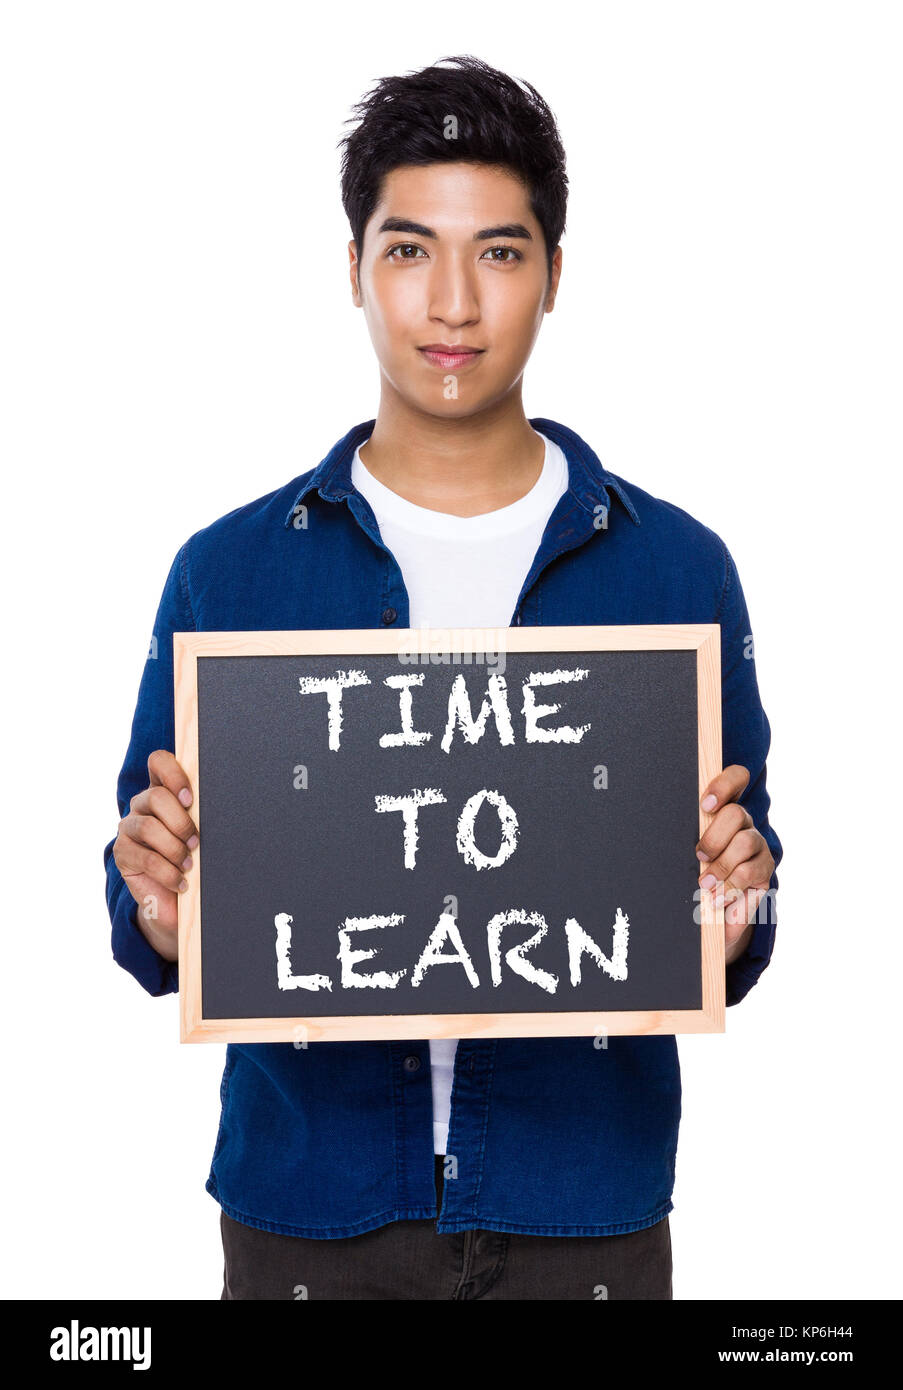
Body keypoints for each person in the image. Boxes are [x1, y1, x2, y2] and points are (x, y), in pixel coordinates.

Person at [103, 54, 782, 1301]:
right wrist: (158, 898)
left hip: (586, 1210)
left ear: (556, 275)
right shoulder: (229, 573)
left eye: (502, 253)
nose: (454, 303)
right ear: (353, 270)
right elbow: (149, 914)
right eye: (410, 250)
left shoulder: (678, 571)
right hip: (310, 1216)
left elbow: (735, 913)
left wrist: (730, 907)